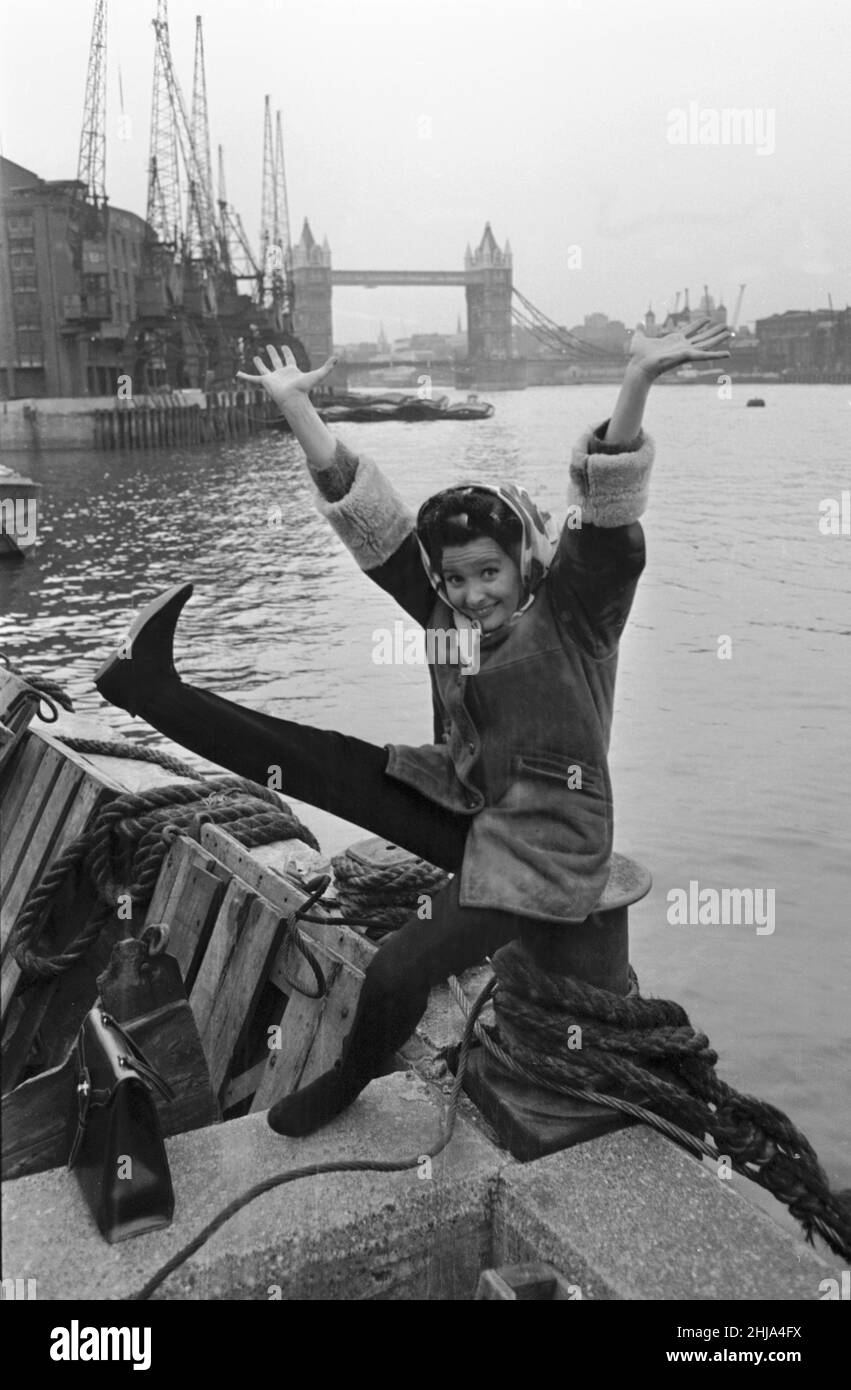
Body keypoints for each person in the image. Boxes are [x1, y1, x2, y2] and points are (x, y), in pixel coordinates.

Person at [94, 321, 730, 1137]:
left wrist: (634, 383)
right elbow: (373, 520)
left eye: (489, 572)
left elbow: (604, 516)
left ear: (526, 562)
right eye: (455, 577)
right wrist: (297, 408)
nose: (471, 595)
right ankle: (150, 689)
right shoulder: (445, 615)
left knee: (399, 966)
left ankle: (347, 1081)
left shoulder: (576, 617)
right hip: (459, 800)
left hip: (545, 851)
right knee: (311, 760)